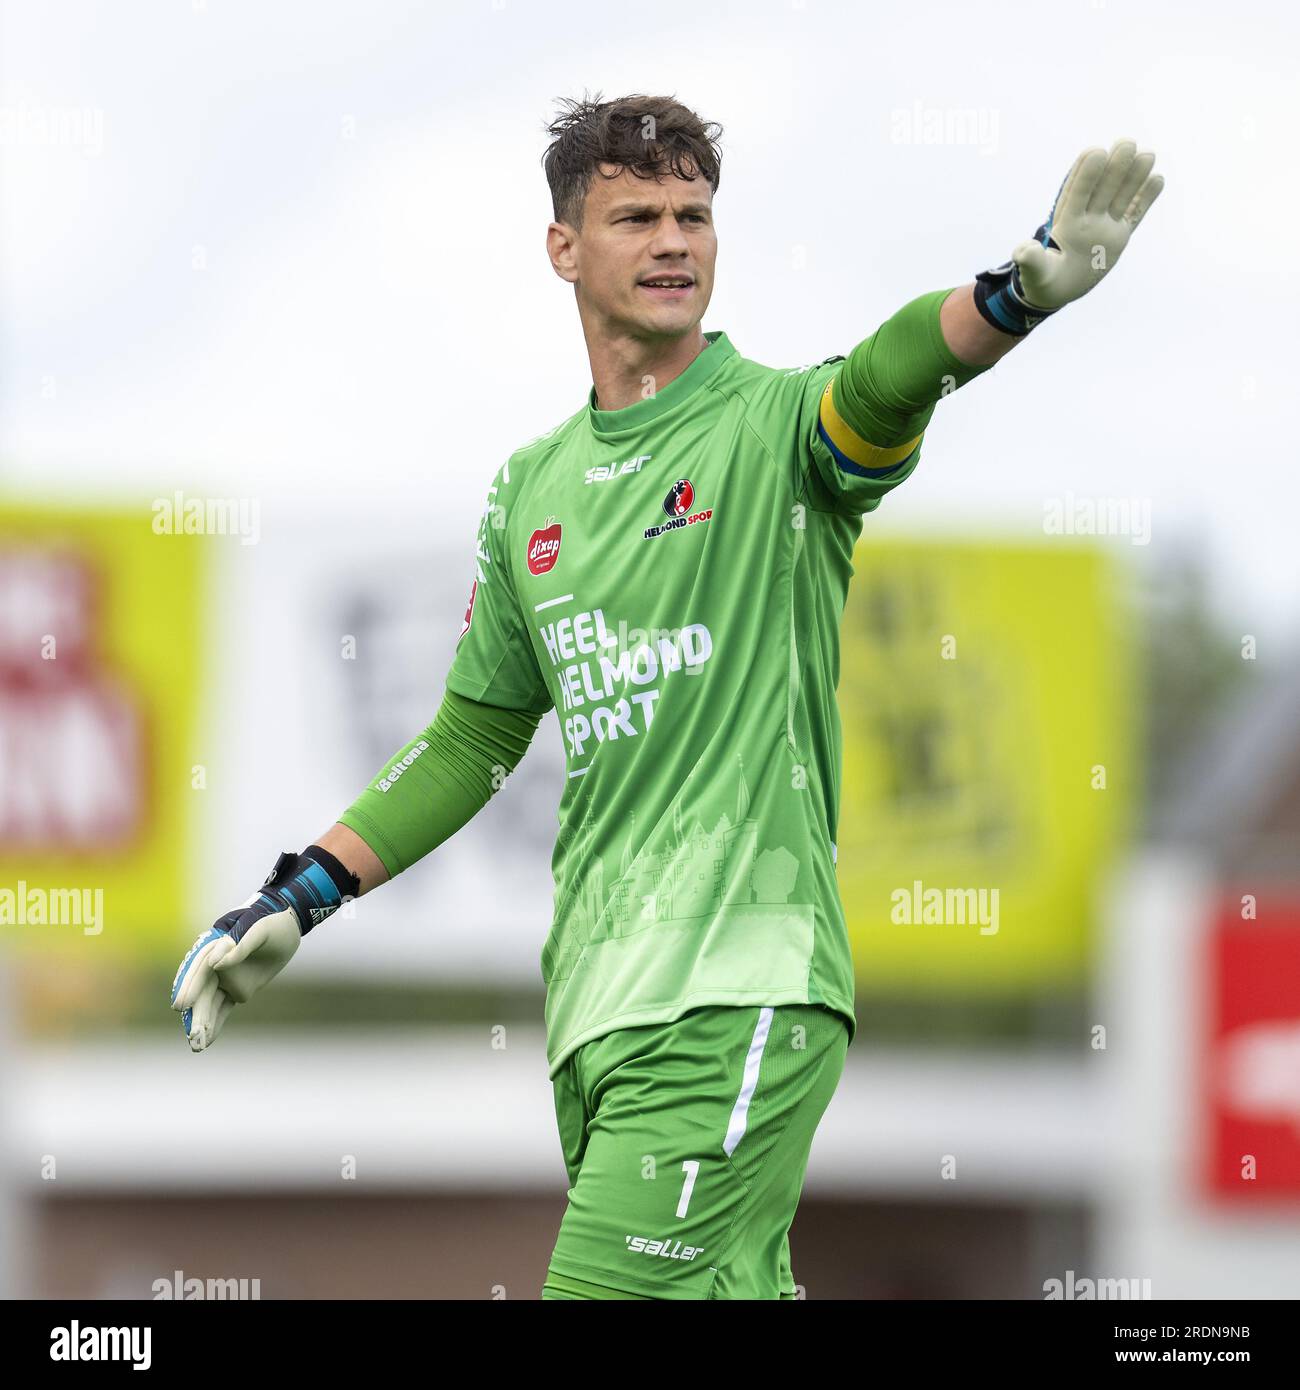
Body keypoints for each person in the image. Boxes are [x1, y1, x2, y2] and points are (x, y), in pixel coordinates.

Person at [171, 93, 1162, 1300]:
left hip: (740, 992)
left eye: (693, 214)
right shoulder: (528, 491)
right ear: (563, 248)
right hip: (599, 1019)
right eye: (636, 215)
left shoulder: (772, 429)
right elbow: (471, 740)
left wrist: (1011, 296)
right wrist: (300, 893)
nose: (674, 240)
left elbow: (889, 380)